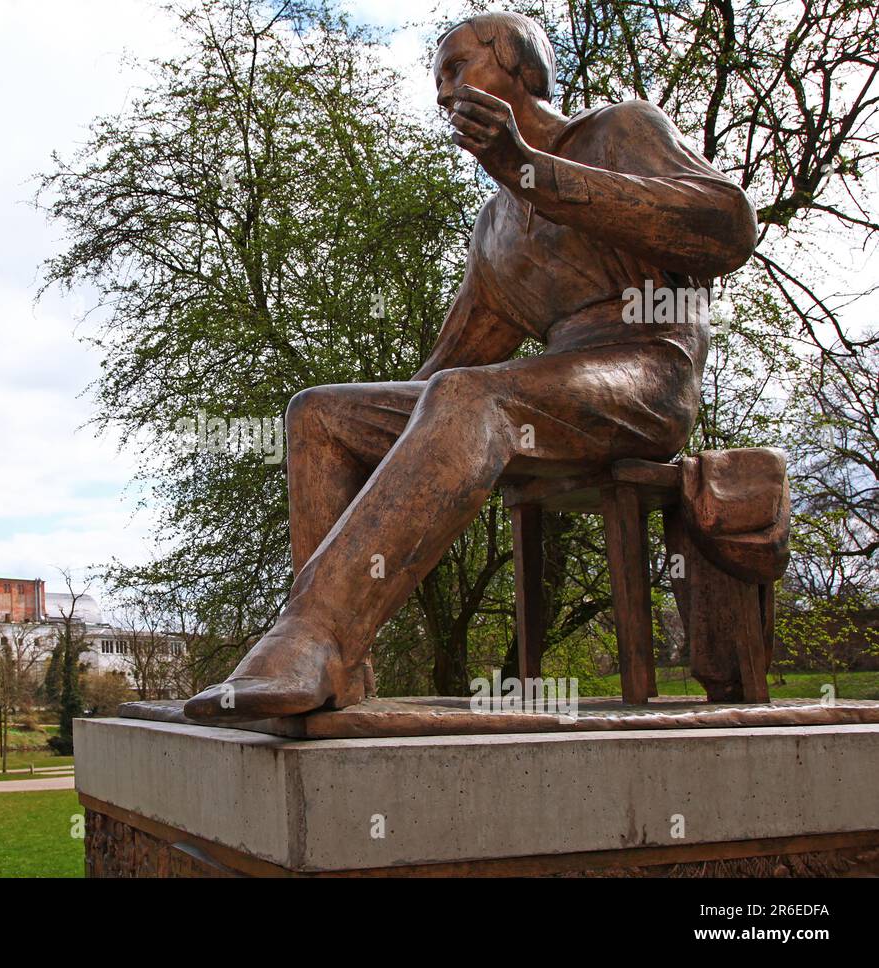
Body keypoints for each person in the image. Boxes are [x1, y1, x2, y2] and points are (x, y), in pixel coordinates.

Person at [184, 11, 757, 723]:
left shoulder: (619, 130)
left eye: (457, 68)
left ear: (519, 67)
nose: (443, 92)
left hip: (647, 374)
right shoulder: (495, 226)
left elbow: (727, 226)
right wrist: (391, 433)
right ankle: (337, 665)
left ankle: (316, 637)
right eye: (436, 81)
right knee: (323, 413)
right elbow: (446, 370)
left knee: (473, 400)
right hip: (544, 394)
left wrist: (529, 168)